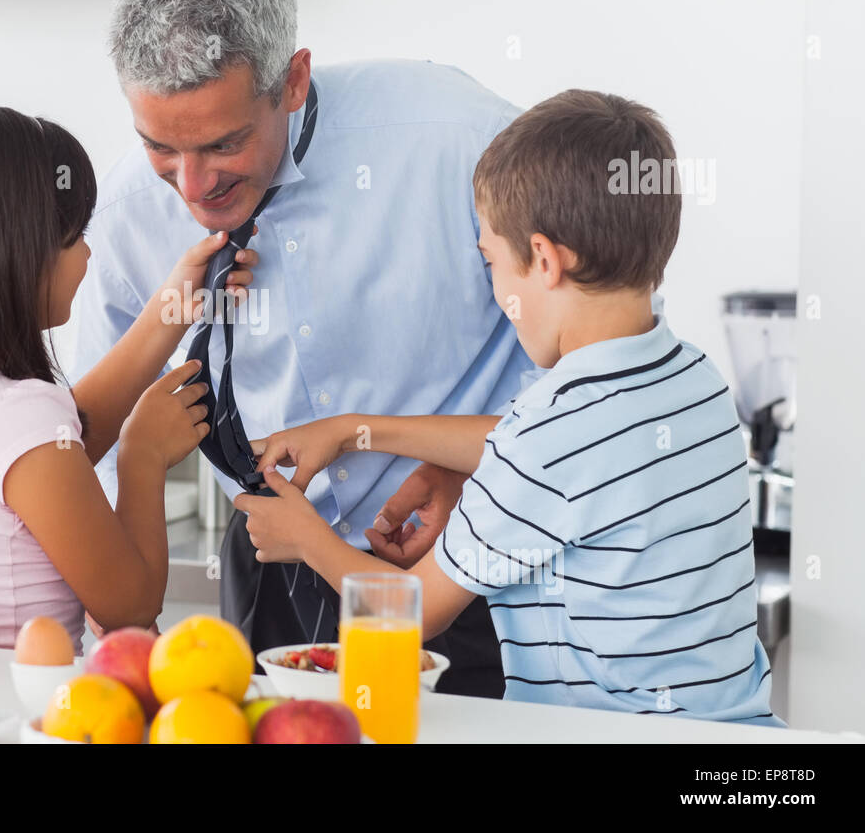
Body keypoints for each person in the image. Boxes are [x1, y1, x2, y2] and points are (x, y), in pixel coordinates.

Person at [70, 0, 535, 697]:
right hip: (269, 568)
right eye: (159, 147)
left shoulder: (461, 140)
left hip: (470, 561)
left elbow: (594, 342)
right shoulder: (125, 215)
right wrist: (123, 620)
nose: (191, 186)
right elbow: (91, 440)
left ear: (291, 81)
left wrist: (477, 474)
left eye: (223, 144)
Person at [242, 90, 781, 724]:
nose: (496, 287)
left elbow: (412, 611)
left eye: (491, 262)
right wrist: (354, 431)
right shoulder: (693, 377)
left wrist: (306, 539)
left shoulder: (552, 437)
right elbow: (537, 442)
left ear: (545, 260)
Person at [0, 100, 257, 653]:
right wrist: (142, 456)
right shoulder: (18, 416)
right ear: (12, 252)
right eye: (73, 235)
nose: (87, 252)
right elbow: (130, 605)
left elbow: (56, 442)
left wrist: (171, 307)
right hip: (26, 712)